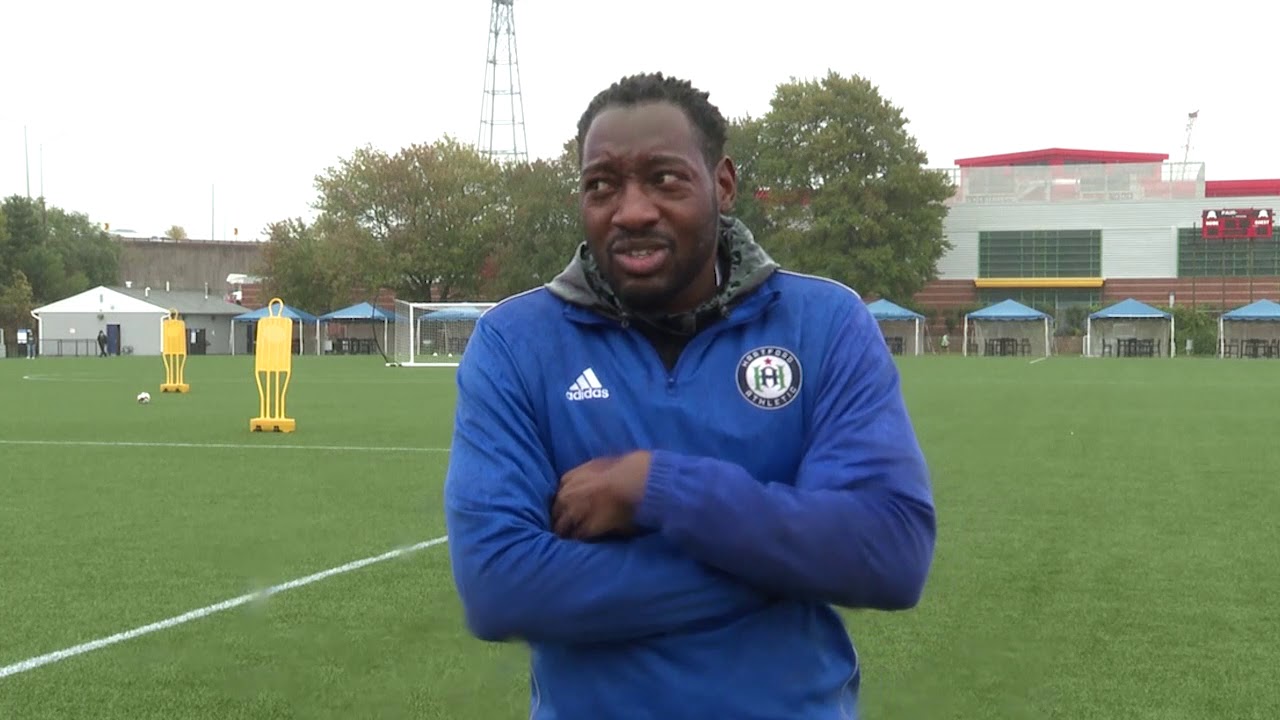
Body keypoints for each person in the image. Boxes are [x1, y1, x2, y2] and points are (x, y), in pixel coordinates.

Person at [443, 72, 936, 719]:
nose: (632, 210)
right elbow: (499, 588)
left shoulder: (824, 324)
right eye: (602, 185)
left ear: (722, 185)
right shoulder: (516, 342)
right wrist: (777, 568)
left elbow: (890, 551)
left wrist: (655, 487)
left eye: (664, 179)